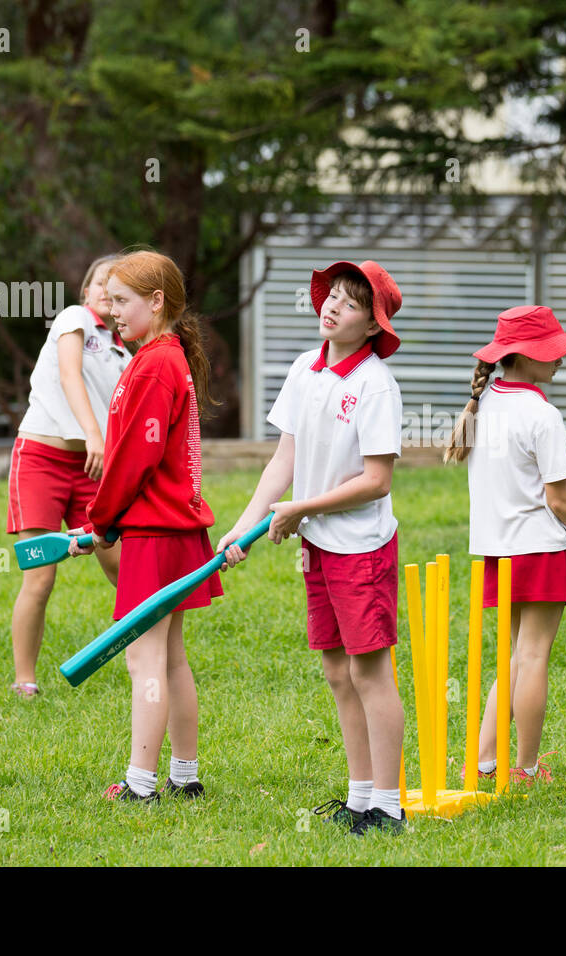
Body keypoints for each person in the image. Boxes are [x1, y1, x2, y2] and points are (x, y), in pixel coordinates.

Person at [218, 260, 407, 836]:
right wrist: (245, 523)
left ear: (372, 326)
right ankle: (358, 798)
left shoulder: (376, 384)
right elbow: (286, 459)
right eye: (331, 297)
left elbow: (377, 481)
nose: (331, 308)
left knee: (369, 672)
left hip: (361, 547)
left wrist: (300, 510)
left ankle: (389, 805)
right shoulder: (305, 368)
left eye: (350, 304)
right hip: (319, 544)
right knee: (335, 670)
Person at [69, 250, 223, 802]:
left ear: (157, 302)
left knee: (144, 655)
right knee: (170, 653)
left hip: (156, 534)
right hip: (173, 529)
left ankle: (141, 784)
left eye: (122, 301)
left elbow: (134, 457)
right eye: (108, 301)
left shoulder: (156, 361)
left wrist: (102, 521)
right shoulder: (162, 355)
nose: (111, 312)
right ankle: (184, 775)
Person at [444, 304, 566, 786]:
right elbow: (559, 499)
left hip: (500, 552)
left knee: (514, 656)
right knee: (533, 656)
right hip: (539, 551)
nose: (560, 359)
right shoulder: (542, 413)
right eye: (551, 352)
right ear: (522, 355)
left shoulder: (487, 404)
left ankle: (482, 763)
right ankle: (524, 767)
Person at [6, 254, 129, 698]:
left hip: (93, 468)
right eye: (100, 283)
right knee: (40, 572)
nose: (105, 293)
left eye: (117, 289)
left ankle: (149, 660)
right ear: (86, 291)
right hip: (42, 458)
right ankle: (25, 681)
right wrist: (94, 435)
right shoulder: (73, 319)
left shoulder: (123, 353)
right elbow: (69, 374)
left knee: (123, 569)